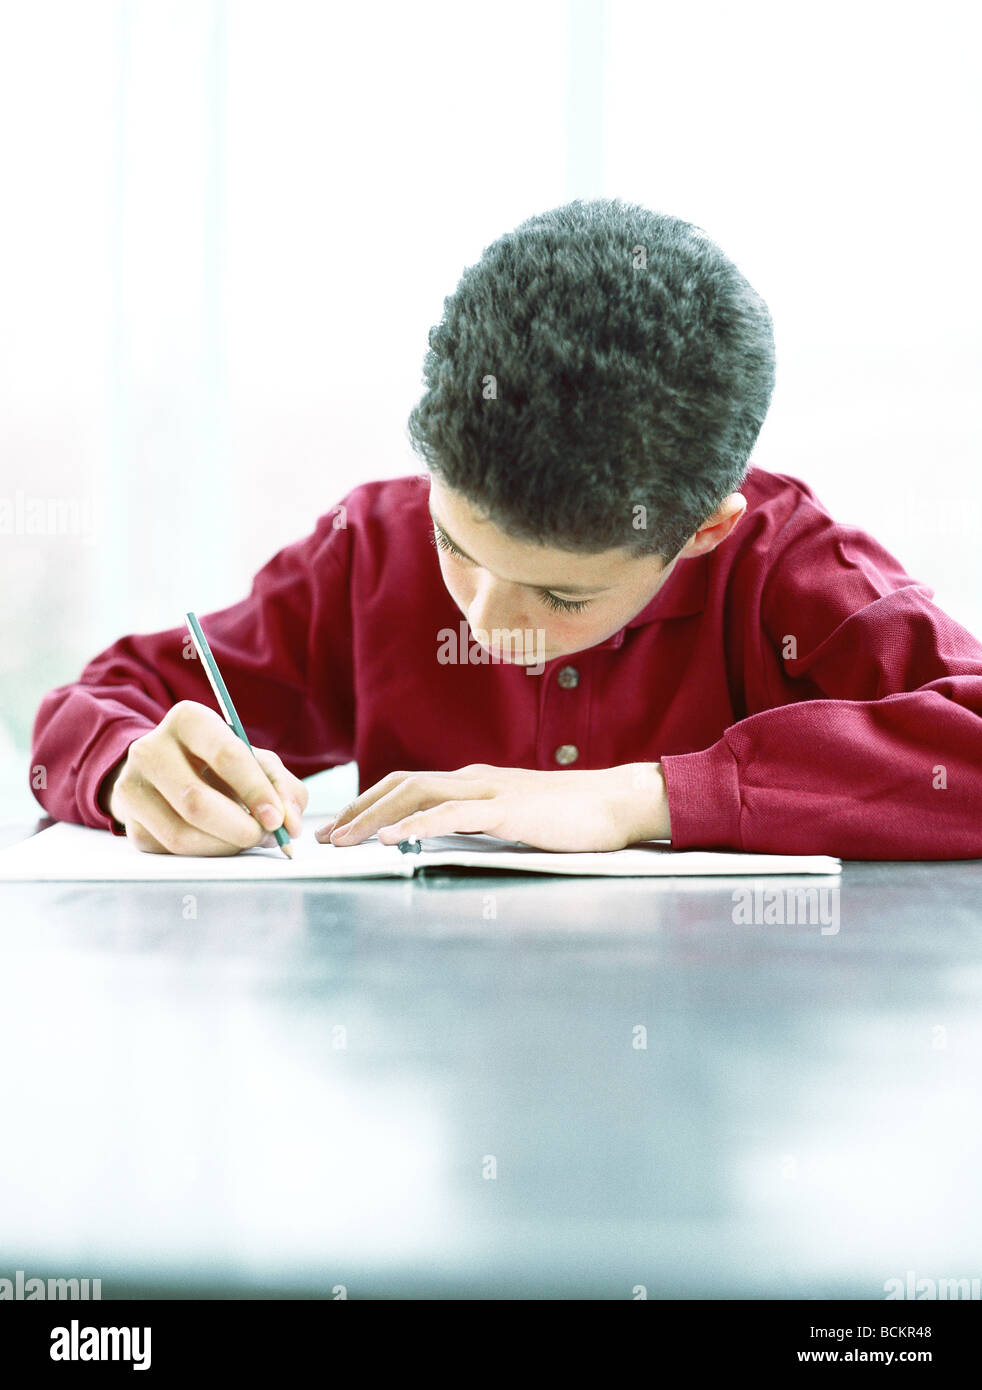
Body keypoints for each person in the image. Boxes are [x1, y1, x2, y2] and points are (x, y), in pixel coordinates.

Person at [29, 199, 982, 858]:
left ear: (699, 530)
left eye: (564, 592)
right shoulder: (370, 552)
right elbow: (97, 704)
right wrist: (128, 771)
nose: (488, 620)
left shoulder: (787, 569)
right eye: (456, 545)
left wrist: (642, 796)